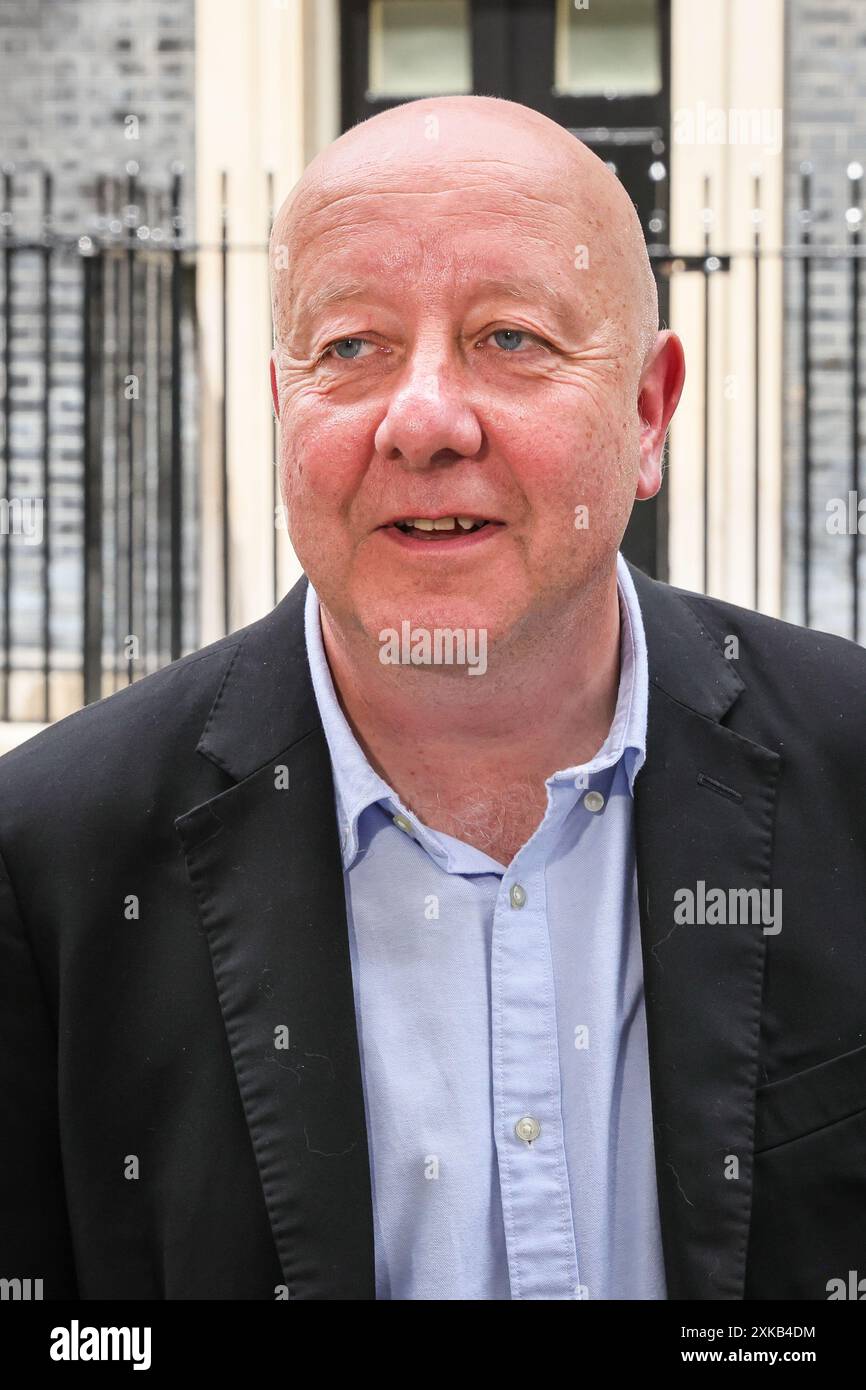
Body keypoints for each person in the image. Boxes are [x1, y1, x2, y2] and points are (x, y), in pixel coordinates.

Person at [1, 94, 864, 1302]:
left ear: (647, 410)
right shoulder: (51, 859)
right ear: (283, 406)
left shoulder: (847, 766)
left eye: (509, 338)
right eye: (349, 347)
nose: (421, 420)